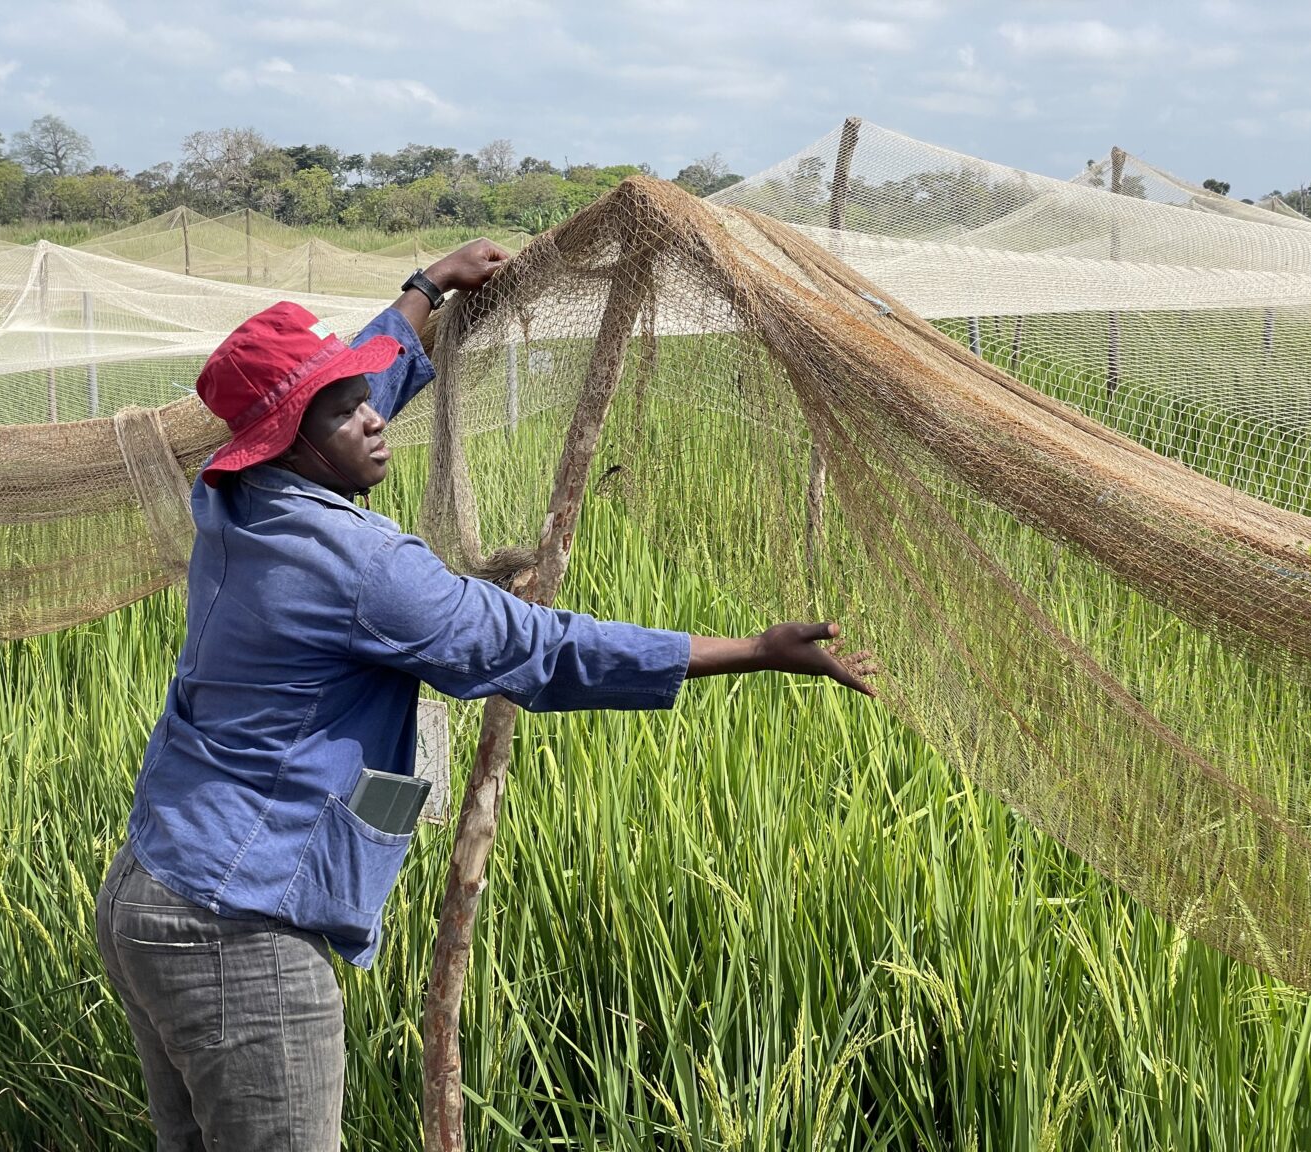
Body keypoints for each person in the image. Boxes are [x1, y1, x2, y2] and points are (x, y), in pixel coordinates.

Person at [94, 239, 876, 1151]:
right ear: (292, 441)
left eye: (363, 397)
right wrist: (752, 649)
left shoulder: (233, 496)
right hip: (240, 927)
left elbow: (351, 401)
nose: (373, 420)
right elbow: (539, 649)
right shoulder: (366, 568)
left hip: (151, 891)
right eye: (346, 412)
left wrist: (426, 290)